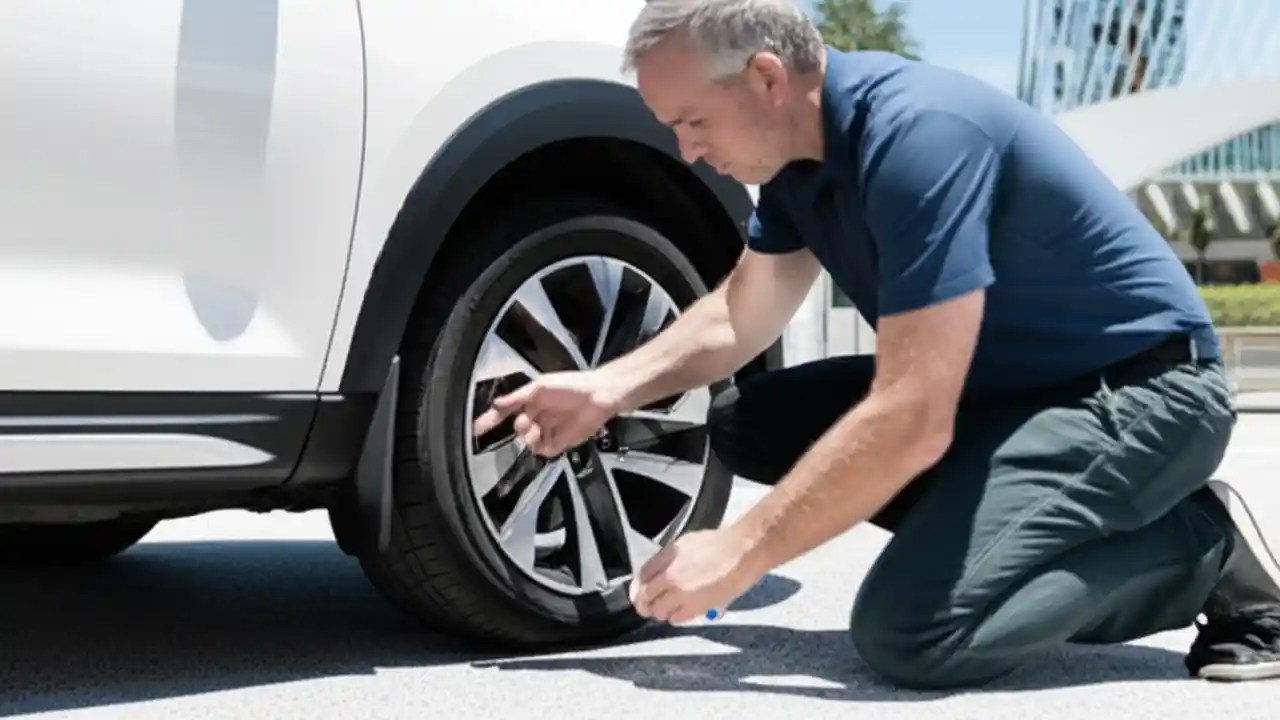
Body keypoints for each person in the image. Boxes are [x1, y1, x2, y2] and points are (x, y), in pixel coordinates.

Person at [472, 0, 1280, 689]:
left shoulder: (918, 139)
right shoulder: (798, 163)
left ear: (765, 78)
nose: (686, 151)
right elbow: (736, 317)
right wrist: (607, 387)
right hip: (1009, 393)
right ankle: (999, 523)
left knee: (913, 632)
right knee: (750, 419)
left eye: (691, 122)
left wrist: (742, 552)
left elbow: (914, 415)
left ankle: (1199, 547)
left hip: (1145, 395)